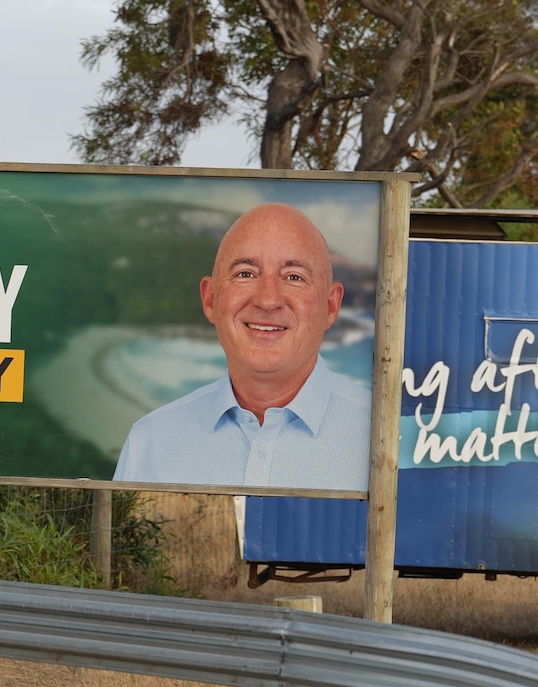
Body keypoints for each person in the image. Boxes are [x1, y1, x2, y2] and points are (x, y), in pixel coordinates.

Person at [113, 202, 370, 490]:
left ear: (331, 306)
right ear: (210, 300)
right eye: (246, 273)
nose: (268, 299)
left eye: (294, 277)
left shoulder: (384, 439)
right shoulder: (150, 442)